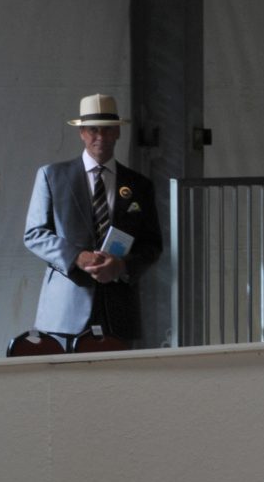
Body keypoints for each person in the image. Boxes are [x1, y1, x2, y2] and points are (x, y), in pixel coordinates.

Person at [26, 94, 162, 343]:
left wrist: (121, 266)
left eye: (108, 130)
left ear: (118, 133)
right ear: (81, 133)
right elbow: (35, 234)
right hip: (65, 311)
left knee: (119, 380)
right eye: (93, 130)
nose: (100, 137)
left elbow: (152, 245)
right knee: (66, 381)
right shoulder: (52, 176)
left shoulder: (139, 185)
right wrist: (77, 256)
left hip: (119, 310)